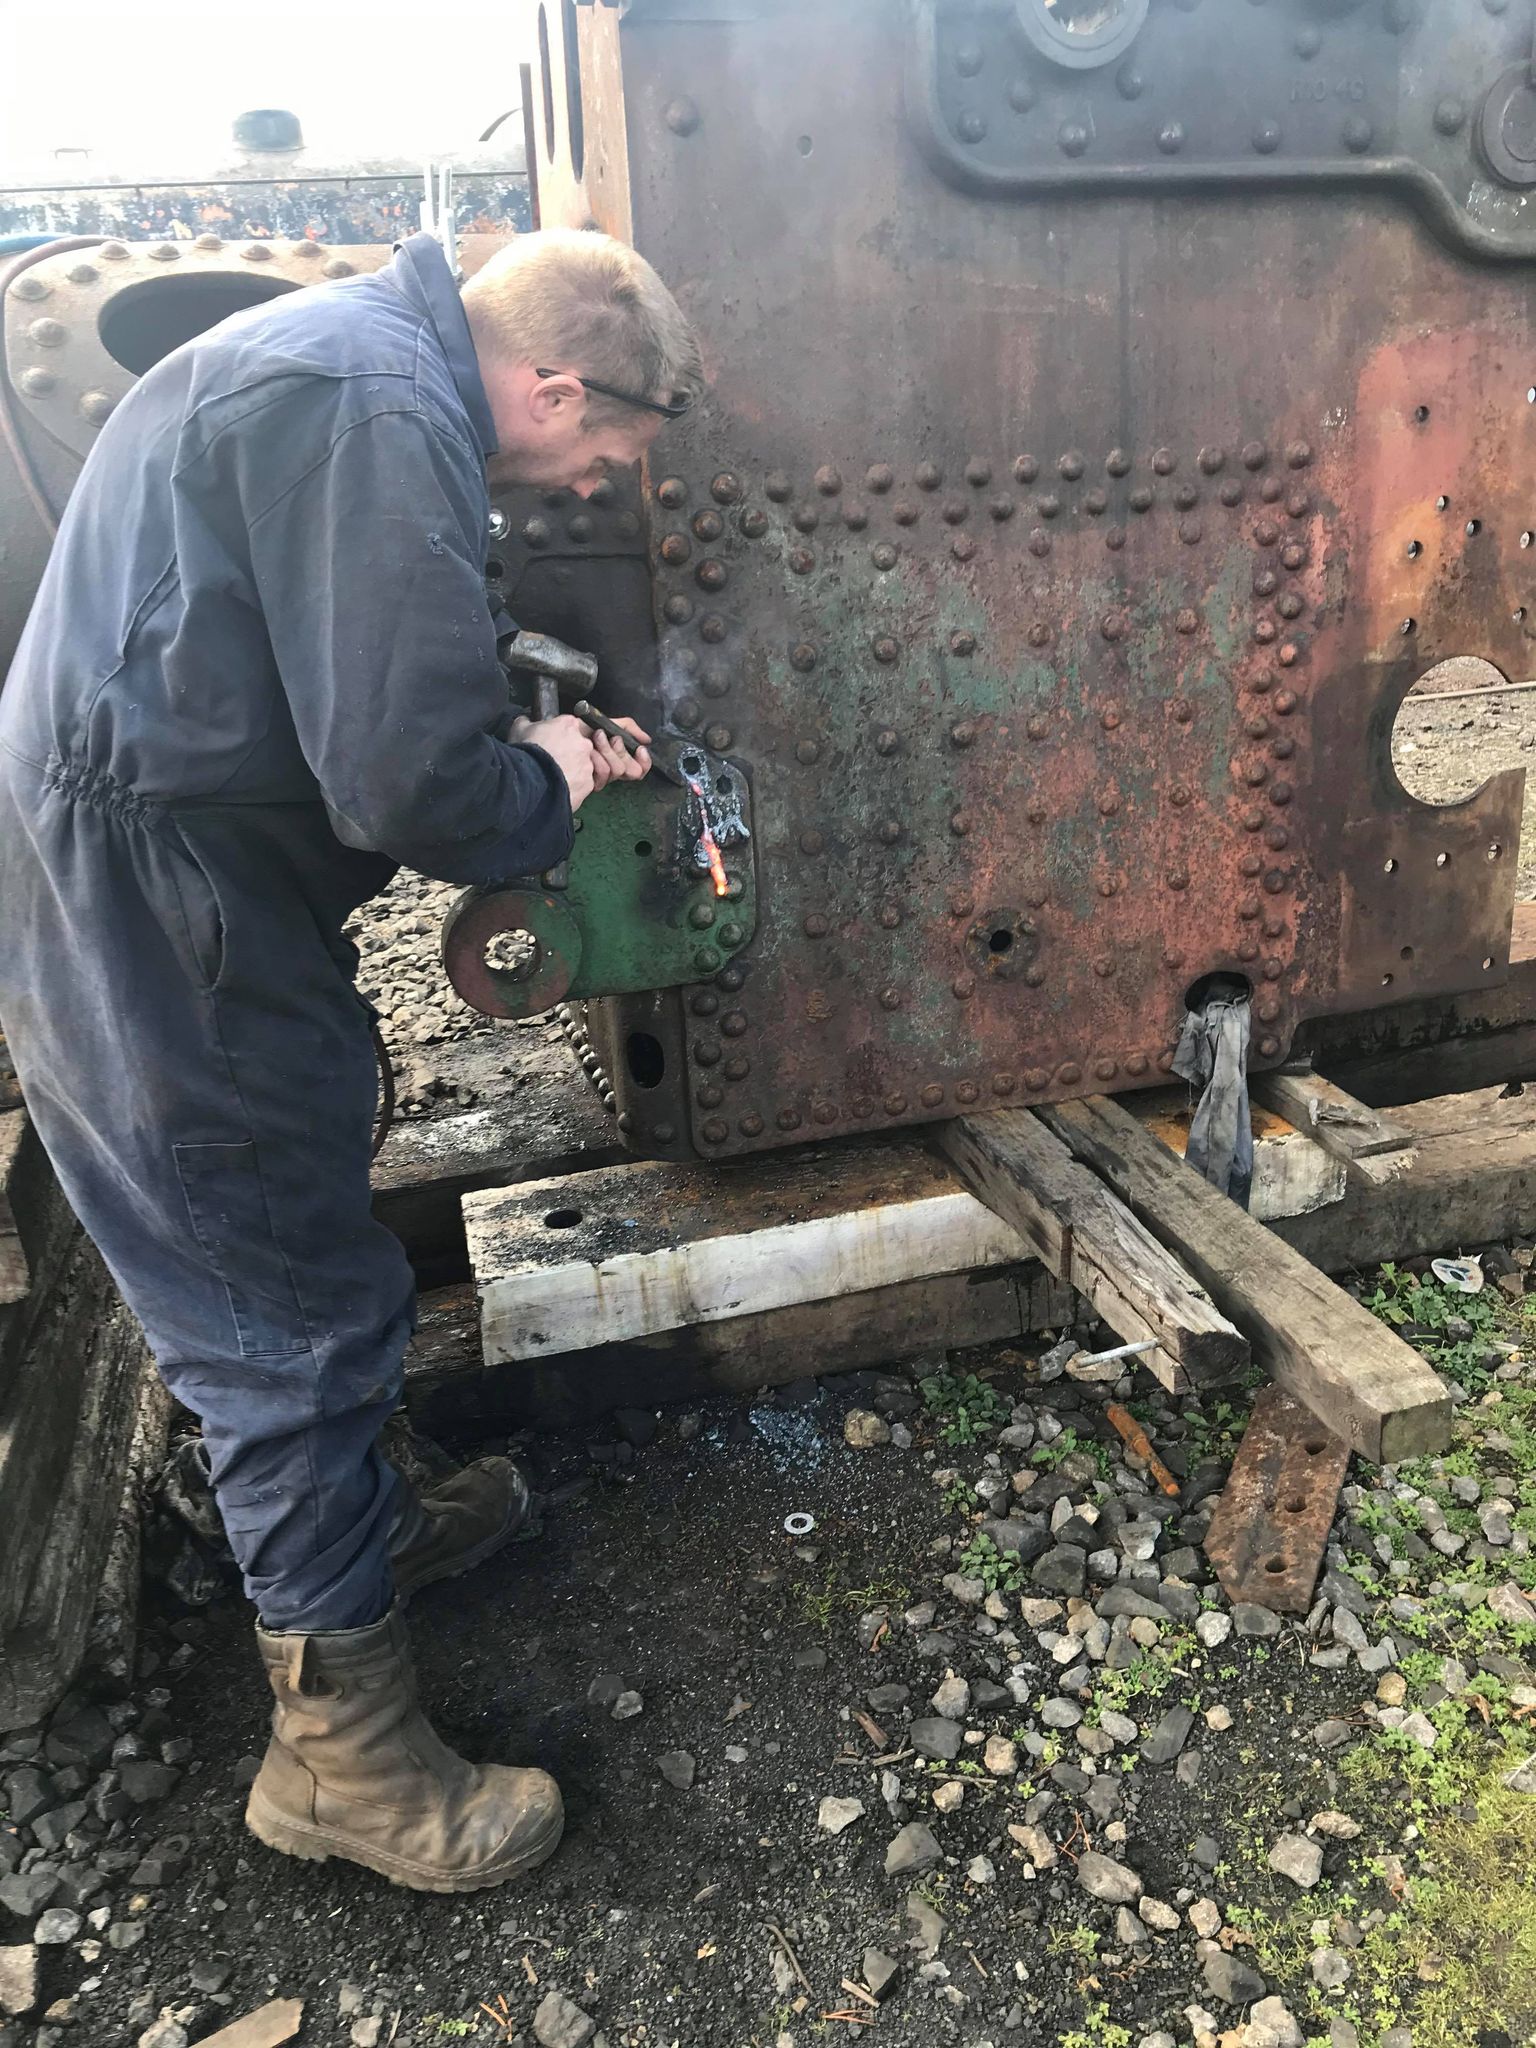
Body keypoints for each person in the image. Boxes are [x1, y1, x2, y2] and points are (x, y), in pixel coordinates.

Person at [0, 226, 703, 1892]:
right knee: (280, 1308)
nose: (595, 483)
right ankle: (342, 1763)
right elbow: (406, 787)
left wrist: (512, 718)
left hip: (186, 863)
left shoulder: (361, 369)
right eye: (608, 450)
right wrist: (549, 771)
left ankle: (362, 1530)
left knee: (294, 1220)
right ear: (554, 386)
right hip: (158, 893)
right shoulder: (376, 410)